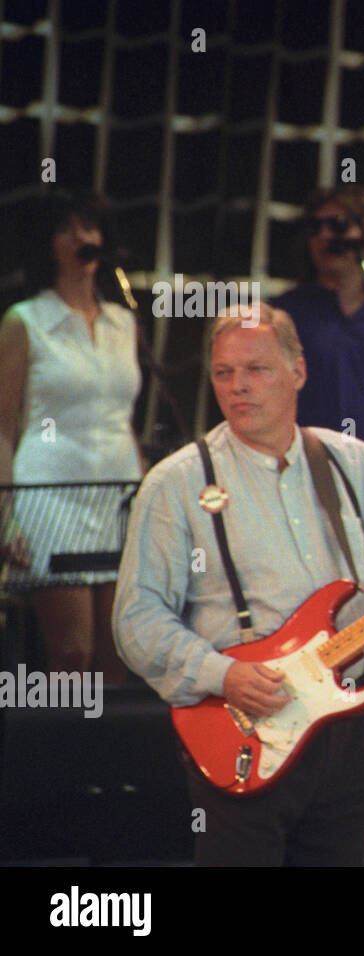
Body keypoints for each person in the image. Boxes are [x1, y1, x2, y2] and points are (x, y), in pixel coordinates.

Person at [113, 303, 364, 866]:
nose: (238, 387)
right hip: (240, 728)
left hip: (343, 728)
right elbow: (136, 617)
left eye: (256, 370)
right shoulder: (177, 482)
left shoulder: (355, 463)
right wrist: (223, 674)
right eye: (224, 373)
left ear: (298, 371)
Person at [0, 190, 142, 683]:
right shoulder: (25, 321)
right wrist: (5, 516)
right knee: (72, 653)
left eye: (89, 227)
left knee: (119, 657)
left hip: (118, 496)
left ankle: (107, 759)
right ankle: (62, 757)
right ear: (47, 243)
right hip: (51, 498)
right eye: (68, 229)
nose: (83, 238)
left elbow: (126, 418)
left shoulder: (124, 322)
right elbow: (2, 427)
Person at [272, 186, 364, 481]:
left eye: (337, 225)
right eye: (314, 227)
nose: (324, 236)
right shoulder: (283, 316)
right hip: (300, 479)